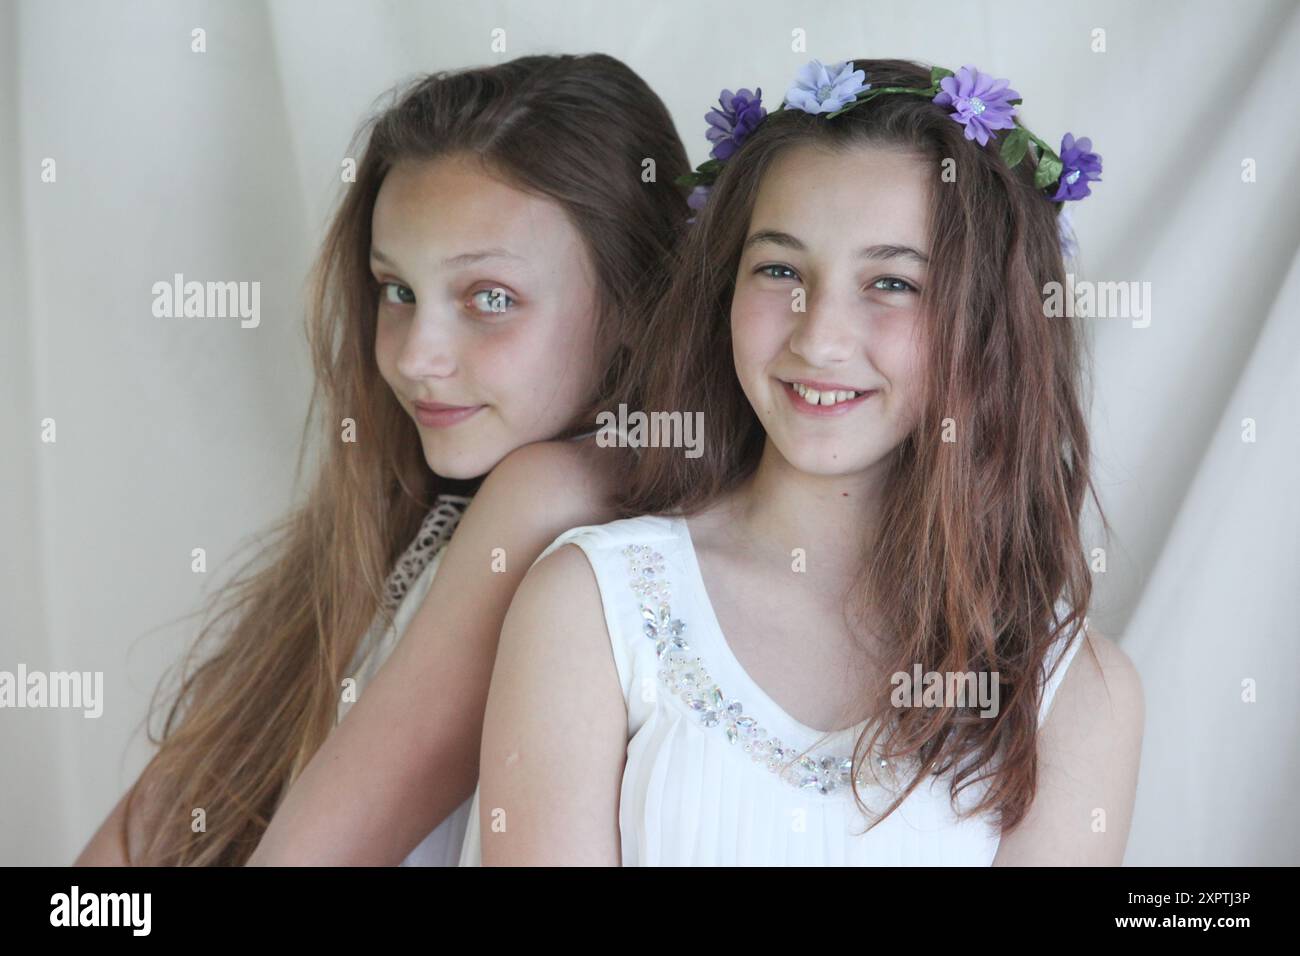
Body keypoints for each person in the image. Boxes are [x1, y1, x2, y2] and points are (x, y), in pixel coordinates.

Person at [466, 58, 1143, 866]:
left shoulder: (1072, 693)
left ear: (990, 326)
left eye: (892, 282)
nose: (817, 336)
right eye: (780, 270)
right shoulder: (596, 607)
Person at [74, 53, 689, 865]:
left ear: (637, 303)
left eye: (489, 298)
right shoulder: (414, 520)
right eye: (396, 290)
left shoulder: (549, 494)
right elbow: (123, 852)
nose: (414, 357)